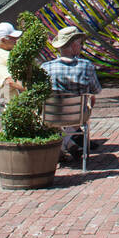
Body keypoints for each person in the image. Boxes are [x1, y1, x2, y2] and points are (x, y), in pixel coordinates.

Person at [42, 26, 103, 161]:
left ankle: (67, 141)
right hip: (78, 114)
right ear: (73, 45)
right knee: (90, 100)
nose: (81, 46)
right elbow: (96, 90)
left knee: (48, 110)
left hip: (53, 114)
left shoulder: (46, 68)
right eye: (80, 43)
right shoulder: (86, 66)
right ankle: (70, 138)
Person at [0, 21, 24, 104]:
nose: (16, 40)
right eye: (12, 38)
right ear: (3, 40)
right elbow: (9, 82)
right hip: (15, 107)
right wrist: (32, 90)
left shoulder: (11, 53)